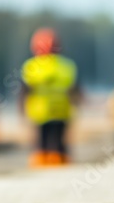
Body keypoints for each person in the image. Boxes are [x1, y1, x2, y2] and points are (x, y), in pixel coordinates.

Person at [21, 28, 81, 166]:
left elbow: (23, 92)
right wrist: (77, 106)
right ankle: (60, 168)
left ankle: (44, 168)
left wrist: (21, 112)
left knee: (41, 146)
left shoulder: (31, 66)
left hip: (40, 114)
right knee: (59, 146)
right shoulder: (67, 66)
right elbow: (75, 91)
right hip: (61, 113)